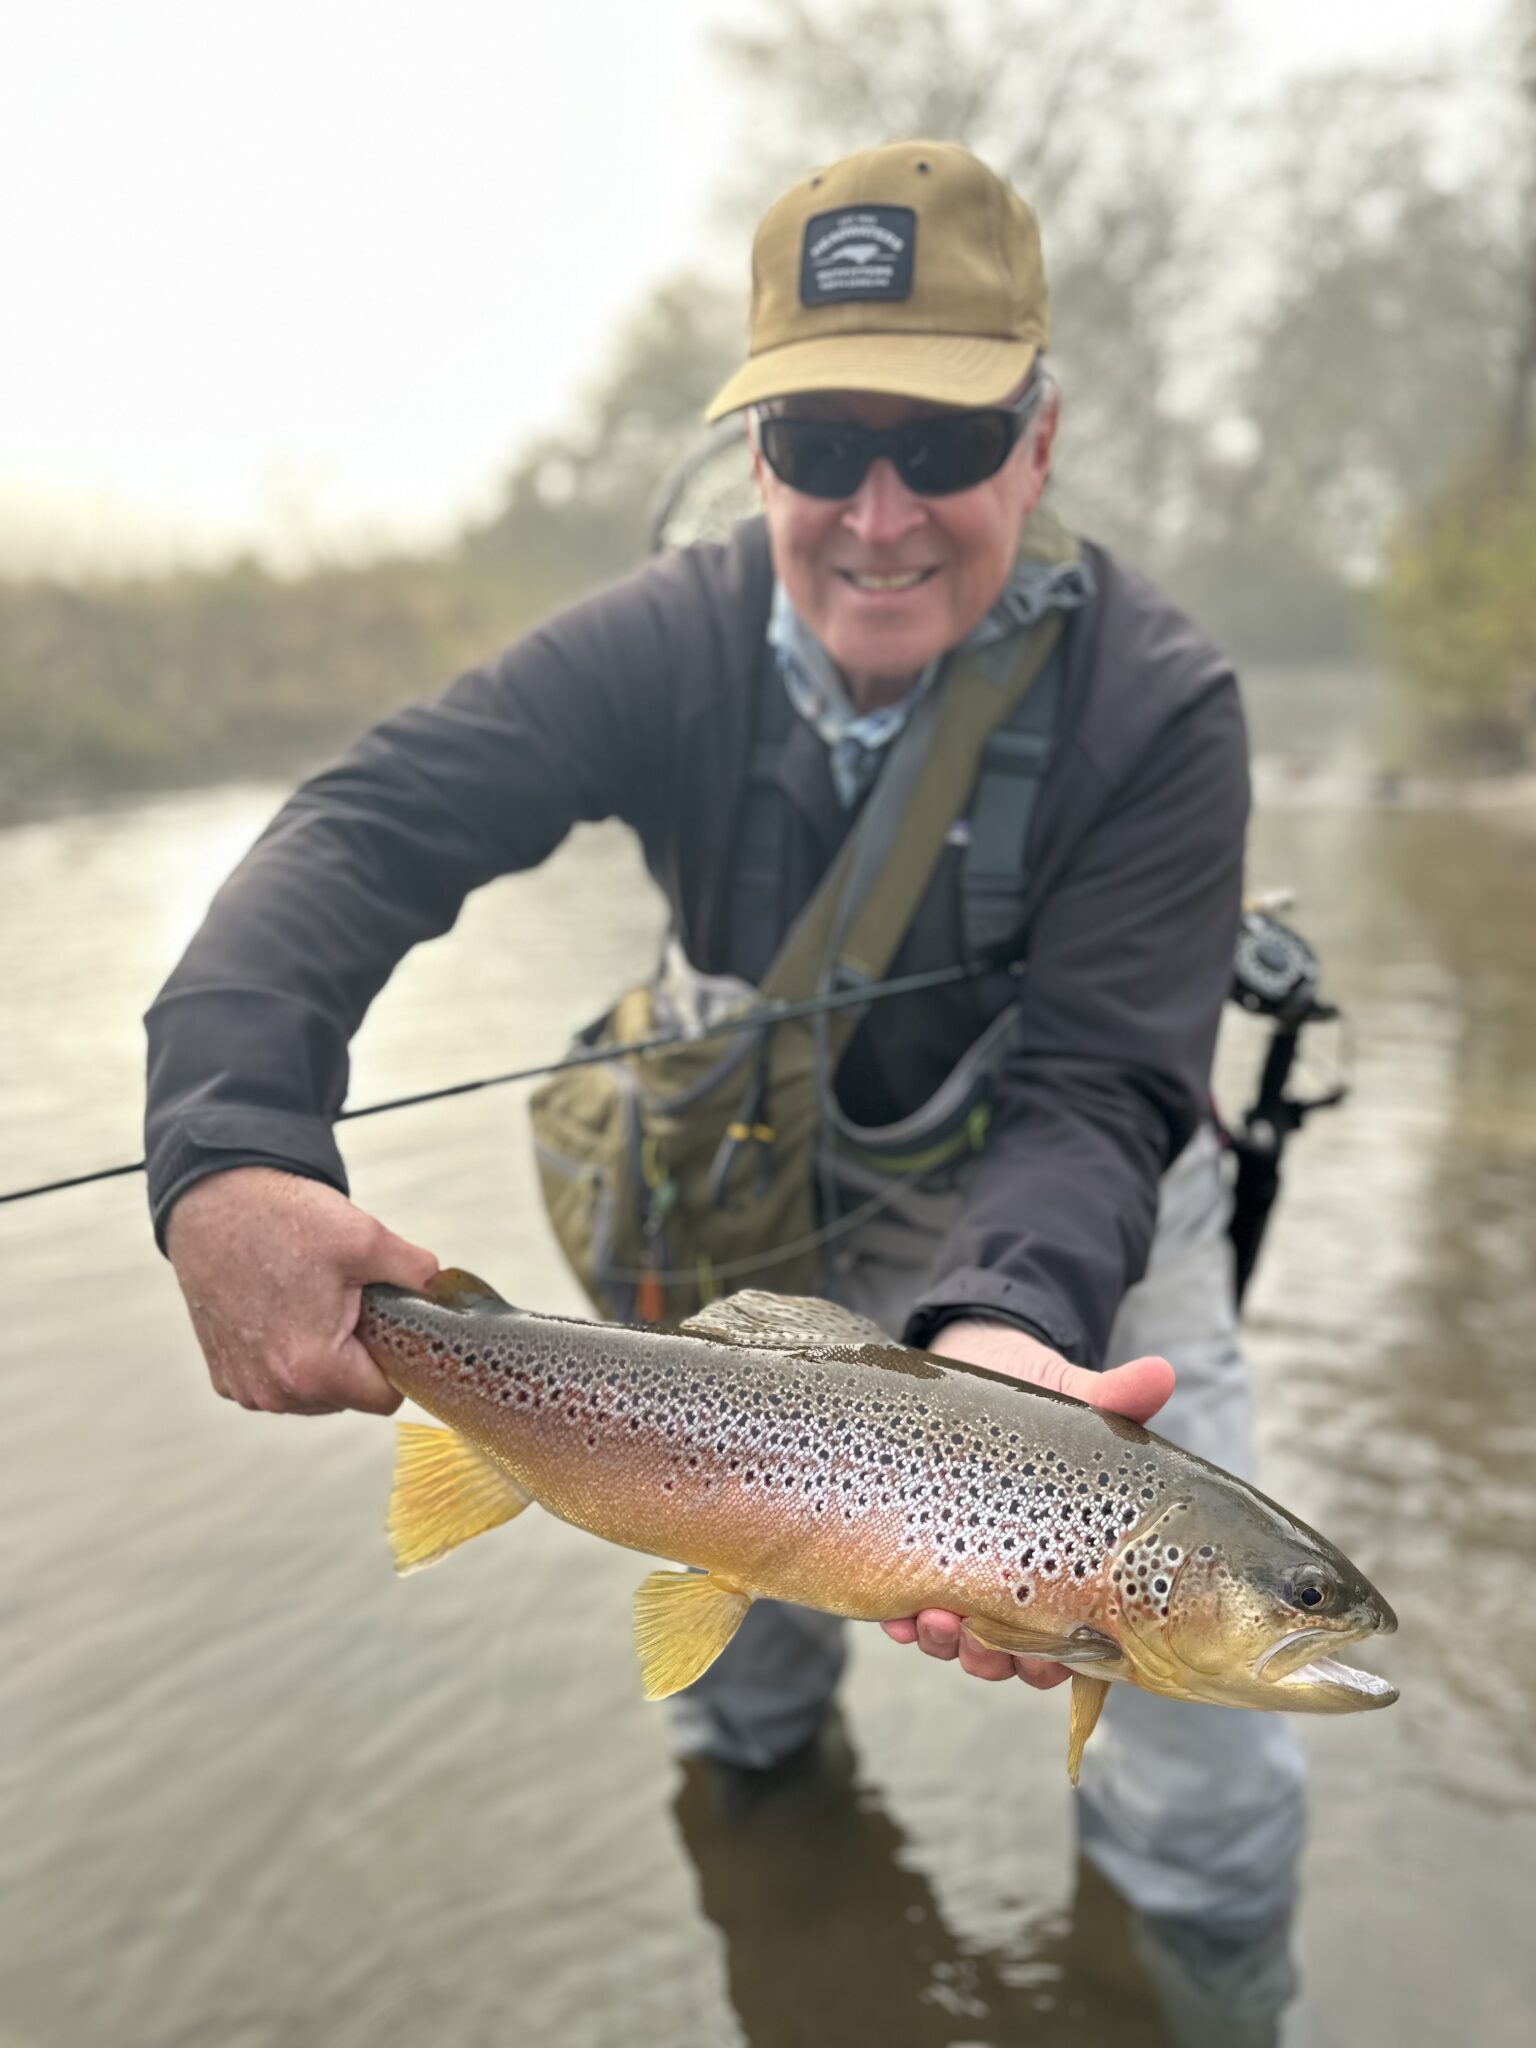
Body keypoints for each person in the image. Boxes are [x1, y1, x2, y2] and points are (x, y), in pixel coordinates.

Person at [147, 139, 1305, 2019]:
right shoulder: (663, 644)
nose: (876, 511)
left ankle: (1206, 1982)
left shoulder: (1157, 703)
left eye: (938, 446)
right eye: (817, 442)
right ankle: (792, 1910)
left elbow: (1103, 1090)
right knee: (744, 1676)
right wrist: (223, 1146)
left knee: (1218, 1766)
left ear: (1038, 438)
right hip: (752, 1214)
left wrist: (1004, 1338)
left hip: (1076, 1266)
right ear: (755, 449)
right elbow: (361, 829)